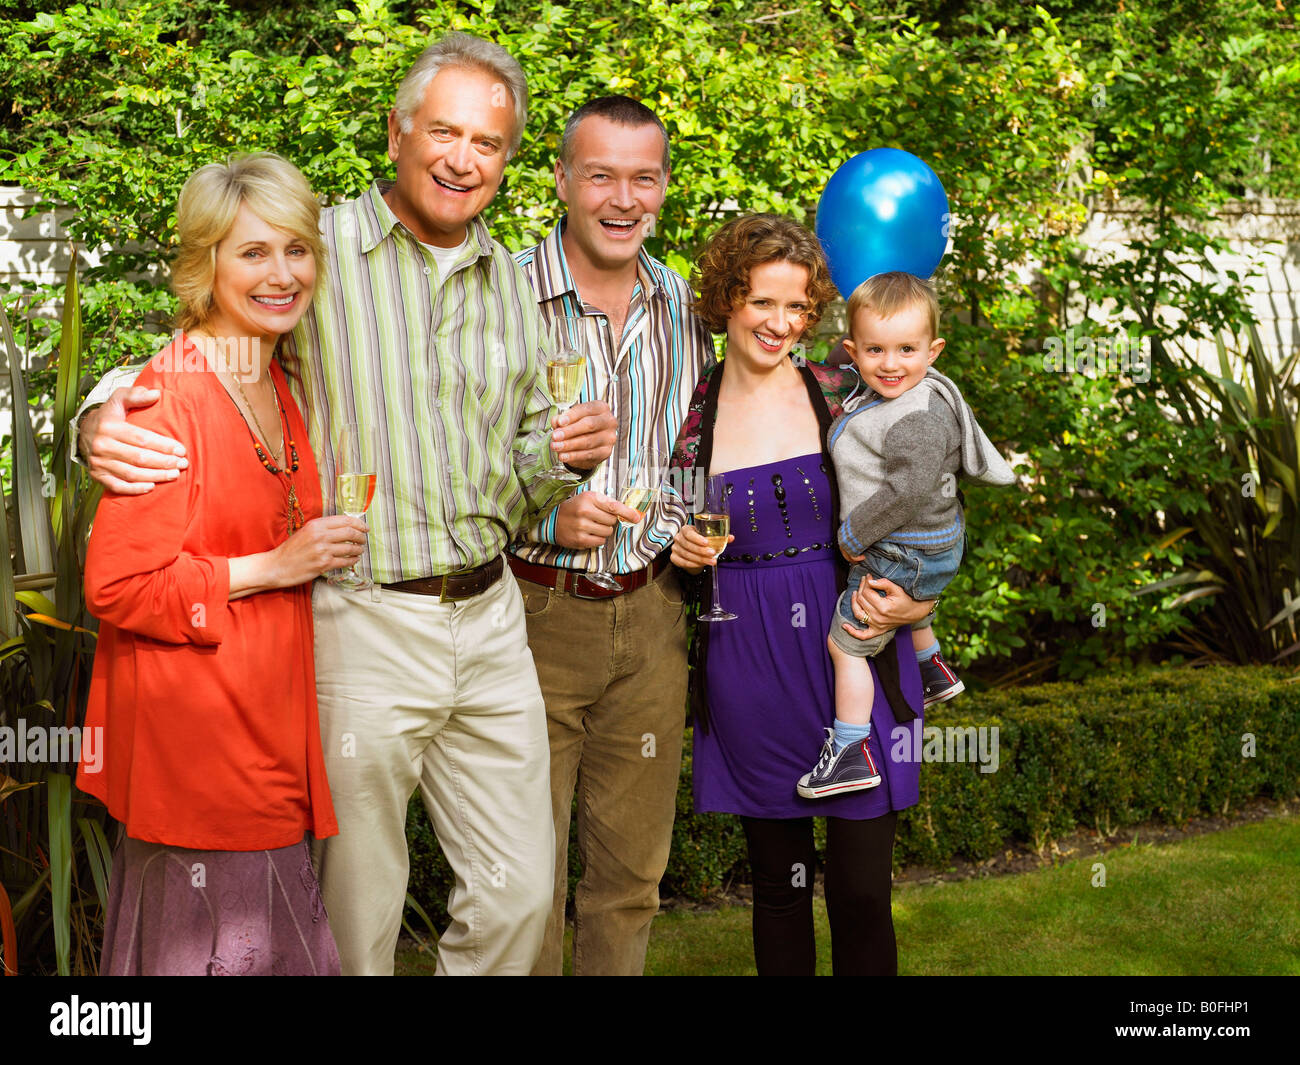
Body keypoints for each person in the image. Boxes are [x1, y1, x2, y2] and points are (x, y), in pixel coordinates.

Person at [74, 33, 617, 976]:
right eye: (442, 131)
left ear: (506, 159)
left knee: (524, 891)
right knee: (356, 911)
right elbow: (212, 337)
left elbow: (524, 472)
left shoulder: (517, 291)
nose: (461, 157)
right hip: (363, 617)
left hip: (491, 619)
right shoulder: (319, 256)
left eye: (486, 143)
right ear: (398, 133)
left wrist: (557, 461)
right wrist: (98, 412)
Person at [77, 153, 367, 976]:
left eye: (296, 249)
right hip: (200, 745)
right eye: (252, 253)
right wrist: (272, 567)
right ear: (205, 266)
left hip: (265, 722)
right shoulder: (167, 398)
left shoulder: (274, 379)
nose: (282, 274)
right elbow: (119, 584)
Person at [669, 214, 935, 976]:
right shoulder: (695, 415)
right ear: (727, 299)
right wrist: (688, 553)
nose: (781, 323)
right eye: (762, 303)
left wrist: (917, 604)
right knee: (780, 890)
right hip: (749, 661)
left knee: (860, 890)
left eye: (796, 307)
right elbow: (680, 535)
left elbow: (927, 505)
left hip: (852, 645)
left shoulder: (842, 393)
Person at [510, 95, 716, 976]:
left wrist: (693, 523)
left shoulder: (688, 306)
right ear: (562, 180)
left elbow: (709, 439)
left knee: (632, 875)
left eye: (644, 177)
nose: (623, 198)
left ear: (664, 187)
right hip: (531, 612)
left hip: (654, 614)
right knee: (523, 879)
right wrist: (543, 514)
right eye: (601, 175)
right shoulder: (502, 294)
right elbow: (442, 447)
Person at [797, 271, 1015, 799]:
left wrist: (852, 536)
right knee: (908, 600)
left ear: (933, 350)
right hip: (930, 545)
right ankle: (932, 666)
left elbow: (906, 493)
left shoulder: (915, 417)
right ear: (852, 350)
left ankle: (850, 752)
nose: (890, 364)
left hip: (904, 545)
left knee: (846, 644)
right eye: (874, 350)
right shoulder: (900, 394)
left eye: (906, 350)